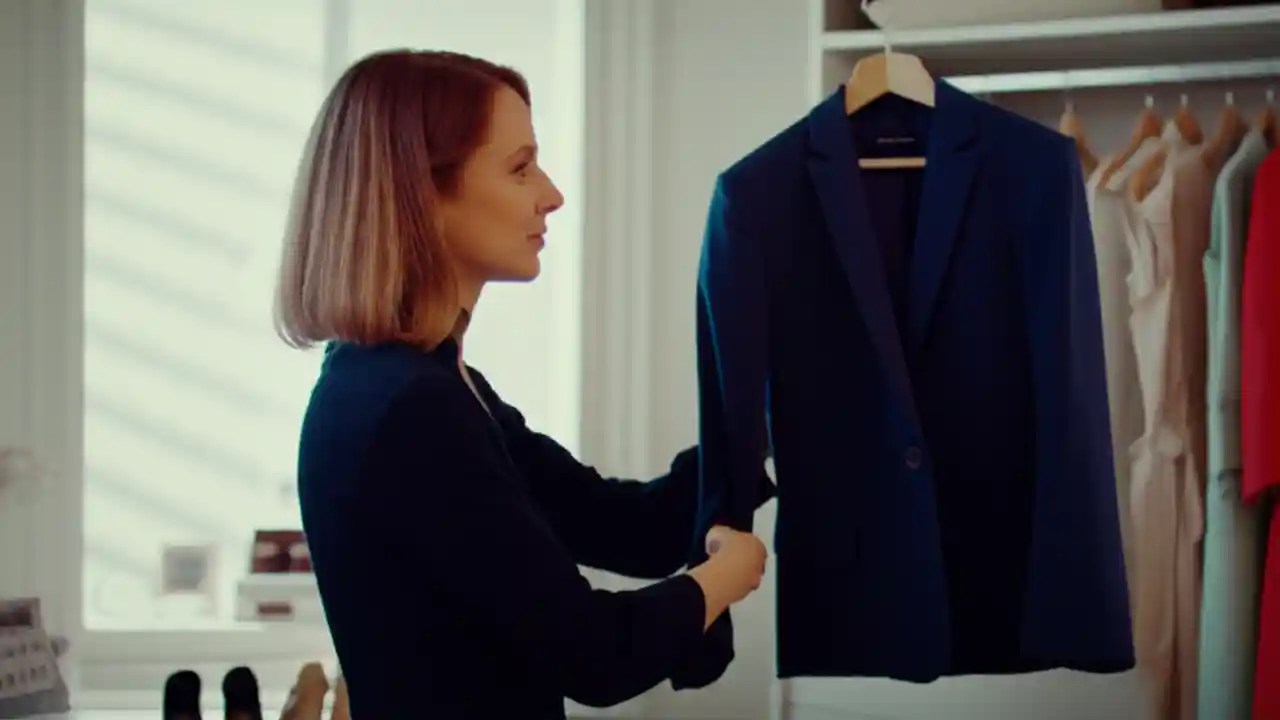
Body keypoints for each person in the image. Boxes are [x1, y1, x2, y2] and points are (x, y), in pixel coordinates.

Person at [272, 49, 772, 719]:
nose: (552, 194)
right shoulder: (408, 411)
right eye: (519, 168)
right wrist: (722, 580)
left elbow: (624, 525)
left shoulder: (432, 385)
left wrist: (770, 428)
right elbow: (595, 653)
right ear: (422, 193)